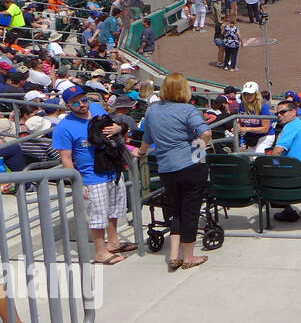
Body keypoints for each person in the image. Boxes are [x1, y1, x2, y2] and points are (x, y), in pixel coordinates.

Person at [52, 85, 133, 266]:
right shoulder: (64, 127)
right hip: (91, 176)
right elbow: (66, 159)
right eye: (75, 102)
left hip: (111, 169)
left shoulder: (96, 109)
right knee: (98, 215)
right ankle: (100, 252)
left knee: (114, 209)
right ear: (68, 106)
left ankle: (113, 243)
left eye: (84, 99)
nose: (82, 104)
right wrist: (77, 184)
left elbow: (115, 124)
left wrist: (118, 128)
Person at [140, 73, 212, 271]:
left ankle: (174, 254)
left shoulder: (152, 111)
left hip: (166, 169)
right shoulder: (188, 109)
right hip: (190, 166)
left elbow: (147, 138)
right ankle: (188, 257)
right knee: (190, 211)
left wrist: (141, 153)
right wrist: (198, 147)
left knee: (176, 210)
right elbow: (206, 133)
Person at [266, 99, 301, 222]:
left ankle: (288, 212)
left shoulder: (290, 126)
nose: (279, 115)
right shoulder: (299, 124)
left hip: (300, 177)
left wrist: (269, 165)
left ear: (294, 112)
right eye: (277, 114)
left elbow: (277, 152)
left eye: (283, 112)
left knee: (268, 175)